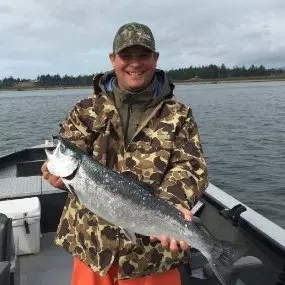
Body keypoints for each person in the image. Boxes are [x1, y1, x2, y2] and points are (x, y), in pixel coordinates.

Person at [41, 22, 208, 285]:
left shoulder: (179, 115)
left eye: (143, 55)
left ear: (156, 58)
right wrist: (54, 174)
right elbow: (71, 155)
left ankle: (215, 253)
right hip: (92, 247)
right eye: (126, 55)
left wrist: (171, 203)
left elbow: (189, 165)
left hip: (153, 254)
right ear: (112, 59)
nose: (135, 63)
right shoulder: (85, 109)